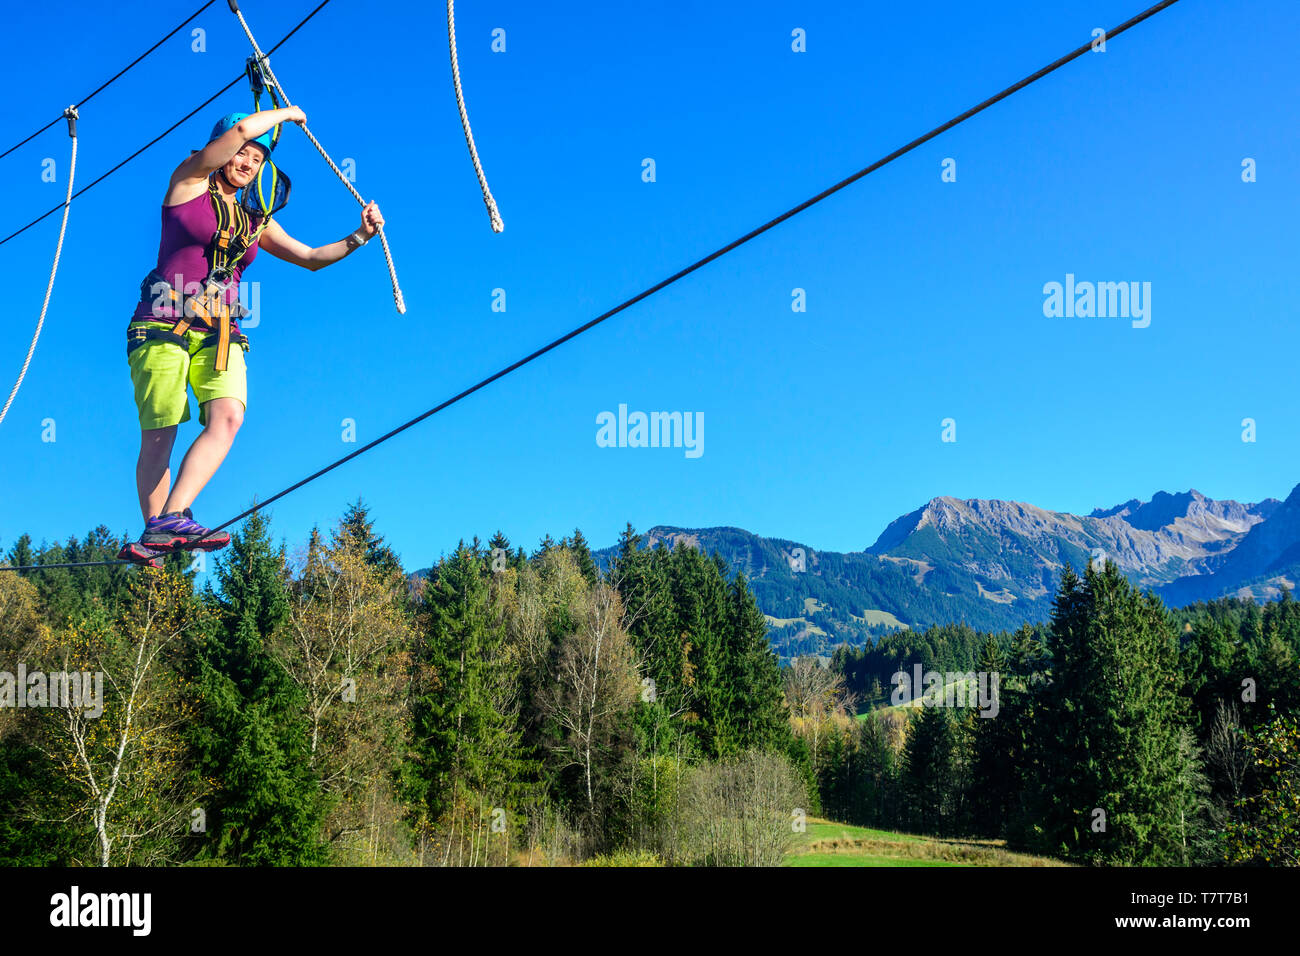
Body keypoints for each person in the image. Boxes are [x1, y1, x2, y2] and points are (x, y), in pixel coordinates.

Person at [117, 108, 385, 564]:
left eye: (257, 159)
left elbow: (312, 257)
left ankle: (173, 515)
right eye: (241, 152)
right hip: (163, 322)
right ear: (219, 152)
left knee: (228, 417)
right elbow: (242, 128)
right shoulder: (187, 184)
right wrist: (292, 113)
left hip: (221, 332)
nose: (247, 160)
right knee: (160, 434)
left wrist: (360, 235)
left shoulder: (254, 222)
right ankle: (155, 531)